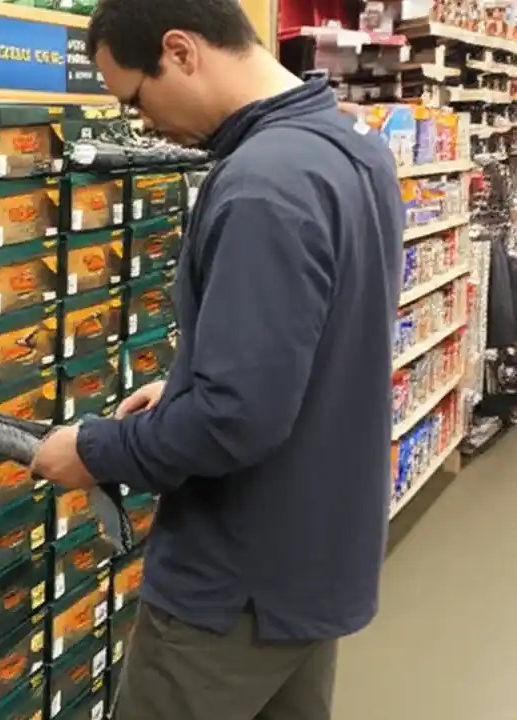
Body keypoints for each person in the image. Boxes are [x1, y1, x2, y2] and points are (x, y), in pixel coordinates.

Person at [30, 1, 404, 718]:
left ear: (181, 51)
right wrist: (184, 385)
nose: (142, 125)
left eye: (136, 98)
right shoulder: (351, 144)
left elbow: (236, 418)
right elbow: (315, 340)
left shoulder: (263, 183)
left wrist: (97, 449)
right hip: (315, 561)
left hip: (234, 581)